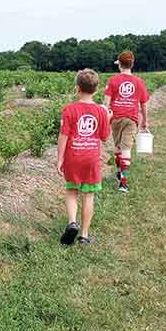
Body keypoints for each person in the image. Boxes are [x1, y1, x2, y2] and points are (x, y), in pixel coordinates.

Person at [57, 69, 111, 245]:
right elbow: (104, 136)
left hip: (73, 157)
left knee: (72, 191)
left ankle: (72, 223)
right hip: (91, 158)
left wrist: (60, 159)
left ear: (77, 88)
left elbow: (63, 135)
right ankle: (84, 236)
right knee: (89, 195)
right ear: (96, 90)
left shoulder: (69, 110)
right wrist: (108, 118)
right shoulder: (101, 111)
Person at [103, 51, 150, 193]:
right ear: (132, 64)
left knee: (118, 148)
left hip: (115, 118)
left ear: (119, 65)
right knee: (126, 149)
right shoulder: (139, 82)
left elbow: (106, 103)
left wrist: (105, 118)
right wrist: (145, 122)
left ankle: (119, 172)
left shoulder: (112, 80)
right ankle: (123, 183)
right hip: (131, 119)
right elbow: (143, 105)